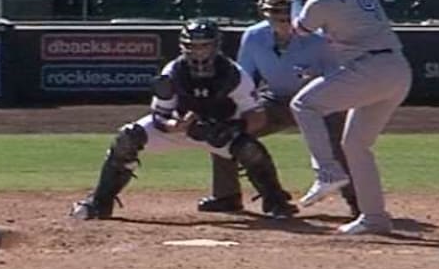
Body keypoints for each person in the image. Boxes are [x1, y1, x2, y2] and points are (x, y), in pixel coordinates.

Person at [71, 19, 298, 221]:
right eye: (192, 46)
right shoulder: (173, 72)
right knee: (128, 137)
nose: (197, 52)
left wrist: (232, 127)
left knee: (250, 150)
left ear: (215, 46)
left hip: (218, 132)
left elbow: (257, 116)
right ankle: (100, 203)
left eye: (203, 46)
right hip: (179, 130)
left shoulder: (232, 73)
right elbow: (160, 114)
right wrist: (173, 126)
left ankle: (276, 202)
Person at [288, 0, 414, 235]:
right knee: (356, 145)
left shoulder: (321, 3)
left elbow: (300, 31)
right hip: (396, 70)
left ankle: (327, 172)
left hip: (370, 70)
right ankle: (375, 217)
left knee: (303, 105)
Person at [201, 0, 359, 217]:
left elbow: (336, 79)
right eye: (277, 16)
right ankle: (230, 196)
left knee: (338, 148)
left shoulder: (320, 40)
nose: (284, 22)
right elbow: (244, 77)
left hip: (319, 103)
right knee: (224, 131)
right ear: (266, 15)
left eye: (288, 16)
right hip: (275, 100)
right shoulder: (254, 37)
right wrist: (234, 111)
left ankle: (358, 203)